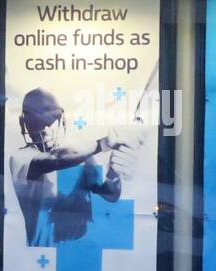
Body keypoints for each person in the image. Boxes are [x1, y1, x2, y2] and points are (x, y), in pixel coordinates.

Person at [9, 87, 141, 247]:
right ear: (24, 123)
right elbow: (56, 159)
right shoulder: (20, 158)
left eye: (50, 120)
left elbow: (109, 195)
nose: (44, 129)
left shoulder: (82, 157)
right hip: (45, 255)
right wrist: (104, 143)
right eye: (36, 121)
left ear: (61, 120)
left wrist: (114, 172)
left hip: (82, 251)